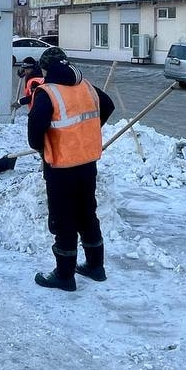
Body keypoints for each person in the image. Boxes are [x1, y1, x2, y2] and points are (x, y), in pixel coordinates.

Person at [27, 47, 115, 292]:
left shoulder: (47, 93)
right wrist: (86, 132)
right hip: (87, 162)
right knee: (87, 212)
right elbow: (107, 105)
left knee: (63, 218)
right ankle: (96, 267)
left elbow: (35, 131)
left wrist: (42, 146)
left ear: (46, 68)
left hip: (61, 165)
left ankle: (64, 275)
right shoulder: (85, 86)